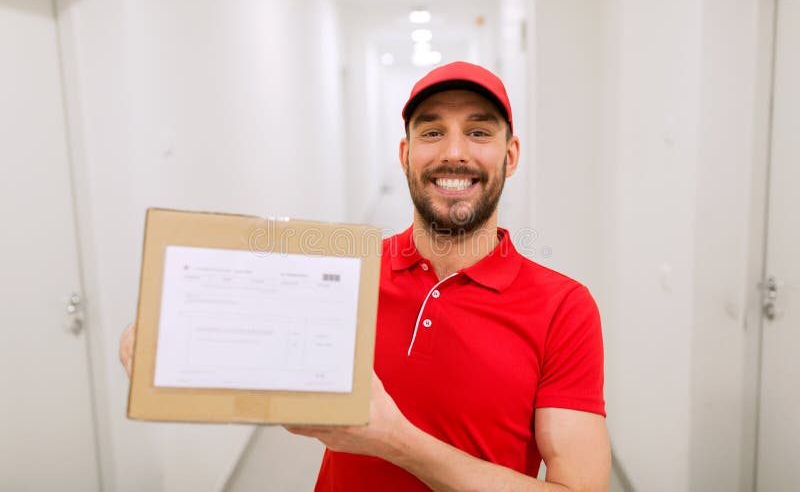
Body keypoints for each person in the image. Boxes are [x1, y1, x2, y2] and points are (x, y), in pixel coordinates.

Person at [120, 61, 610, 491]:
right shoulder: (340, 275)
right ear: (405, 156)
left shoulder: (564, 308)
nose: (455, 153)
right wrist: (168, 346)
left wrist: (397, 442)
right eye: (432, 132)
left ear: (511, 155)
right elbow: (248, 345)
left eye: (479, 132)